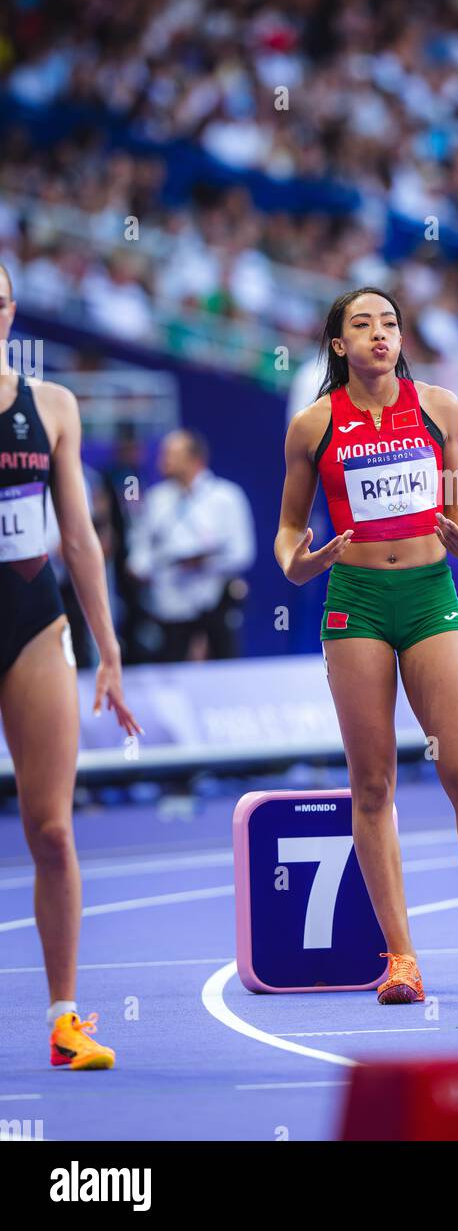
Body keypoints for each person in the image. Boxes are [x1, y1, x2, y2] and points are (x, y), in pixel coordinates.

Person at [274, 286, 458, 1003]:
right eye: (363, 324)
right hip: (358, 605)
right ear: (338, 345)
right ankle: (401, 958)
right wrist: (303, 564)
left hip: (434, 599)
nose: (380, 333)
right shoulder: (313, 426)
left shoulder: (441, 408)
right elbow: (287, 535)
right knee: (373, 786)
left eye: (391, 322)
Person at [0, 262, 141, 1068]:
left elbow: (81, 539)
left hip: (32, 622)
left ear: (12, 311)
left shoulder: (52, 405)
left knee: (52, 829)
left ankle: (64, 1020)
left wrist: (109, 651)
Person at [126, 429, 256, 661]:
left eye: (171, 454)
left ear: (195, 459)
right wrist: (141, 569)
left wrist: (204, 562)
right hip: (170, 610)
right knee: (171, 678)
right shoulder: (156, 499)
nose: (163, 460)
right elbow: (141, 551)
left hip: (216, 605)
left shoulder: (226, 497)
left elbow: (242, 552)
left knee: (223, 673)